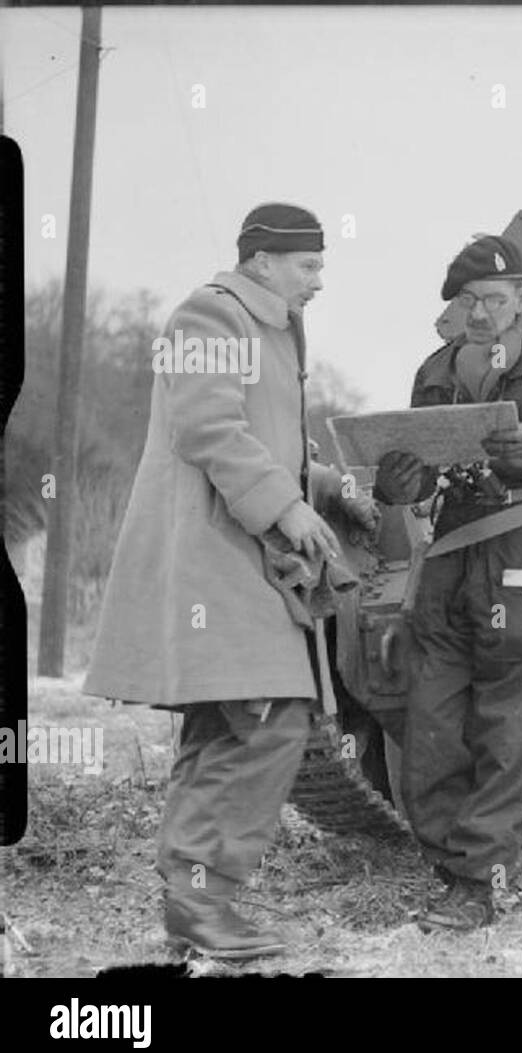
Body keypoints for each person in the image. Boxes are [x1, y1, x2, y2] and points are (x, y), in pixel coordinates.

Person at [83, 203, 376, 959]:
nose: (318, 281)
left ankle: (194, 904)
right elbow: (208, 431)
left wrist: (332, 487)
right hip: (214, 555)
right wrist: (289, 509)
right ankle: (203, 902)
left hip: (238, 549)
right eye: (308, 265)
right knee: (272, 716)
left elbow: (264, 441)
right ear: (261, 260)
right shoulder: (208, 318)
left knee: (226, 725)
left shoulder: (265, 325)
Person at [375, 234, 522, 929]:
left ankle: (478, 882)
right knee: (433, 721)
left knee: (514, 722)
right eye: (467, 301)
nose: (479, 313)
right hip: (449, 556)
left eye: (492, 299)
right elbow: (414, 470)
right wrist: (400, 483)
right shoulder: (435, 369)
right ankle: (452, 866)